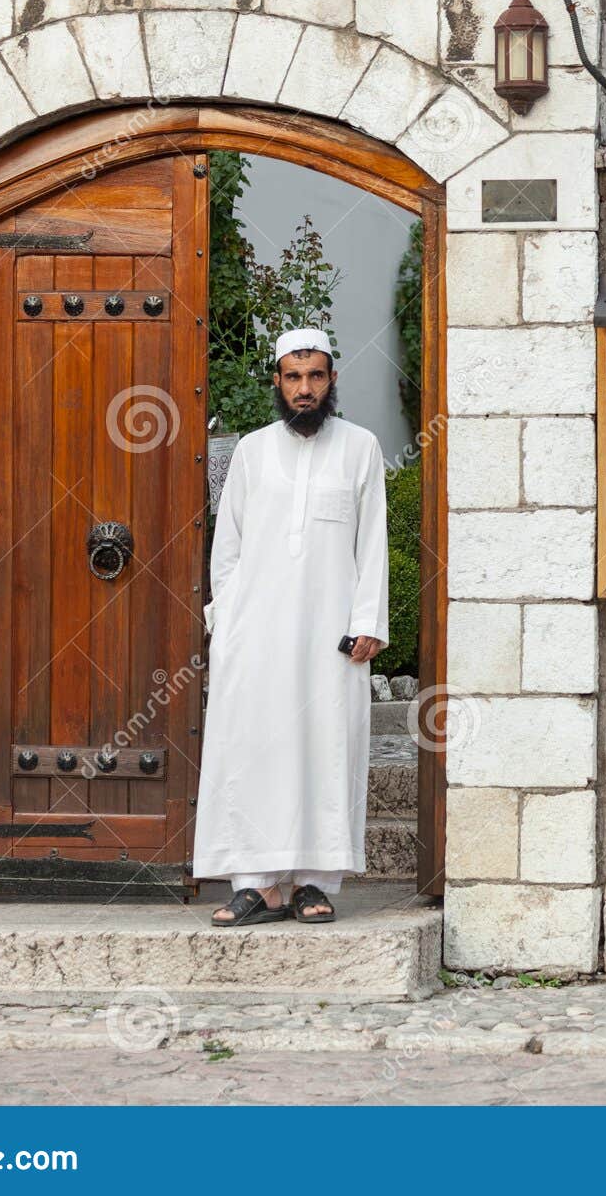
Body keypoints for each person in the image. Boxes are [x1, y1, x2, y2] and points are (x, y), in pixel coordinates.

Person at [193, 328, 389, 926]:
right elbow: (227, 547)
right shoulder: (252, 451)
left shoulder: (361, 447)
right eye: (293, 377)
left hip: (330, 636)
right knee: (254, 747)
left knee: (326, 746)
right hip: (256, 634)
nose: (305, 389)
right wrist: (225, 622)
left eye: (316, 376)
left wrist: (368, 622)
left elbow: (372, 541)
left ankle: (314, 882)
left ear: (332, 380)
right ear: (277, 382)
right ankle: (255, 885)